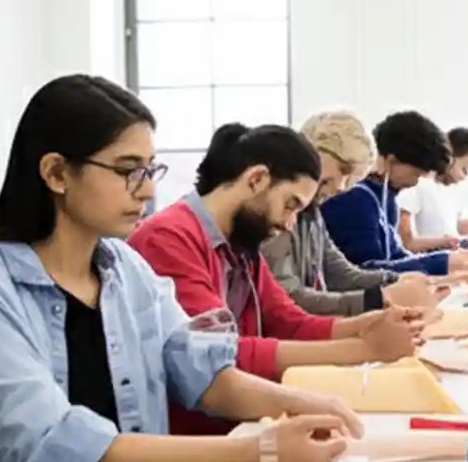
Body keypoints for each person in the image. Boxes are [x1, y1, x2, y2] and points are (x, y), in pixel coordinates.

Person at [0, 75, 364, 462]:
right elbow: (56, 444)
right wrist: (257, 451)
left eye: (150, 170)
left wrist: (302, 402)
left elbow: (202, 373)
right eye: (128, 171)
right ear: (56, 172)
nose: (148, 190)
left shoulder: (124, 268)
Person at [128, 123, 420, 436]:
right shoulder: (167, 238)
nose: (289, 224)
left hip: (237, 424)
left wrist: (365, 325)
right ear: (256, 179)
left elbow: (289, 322)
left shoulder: (240, 242)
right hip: (195, 441)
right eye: (290, 205)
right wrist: (363, 349)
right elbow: (222, 355)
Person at [261, 109, 451, 316]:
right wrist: (378, 298)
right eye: (343, 170)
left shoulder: (312, 214)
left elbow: (339, 273)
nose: (341, 187)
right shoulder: (277, 214)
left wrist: (395, 280)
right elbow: (288, 299)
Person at [320, 110, 468, 278]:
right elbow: (365, 272)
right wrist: (445, 261)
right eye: (415, 174)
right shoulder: (353, 199)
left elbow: (397, 257)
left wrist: (454, 258)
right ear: (391, 161)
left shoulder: (386, 198)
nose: (414, 183)